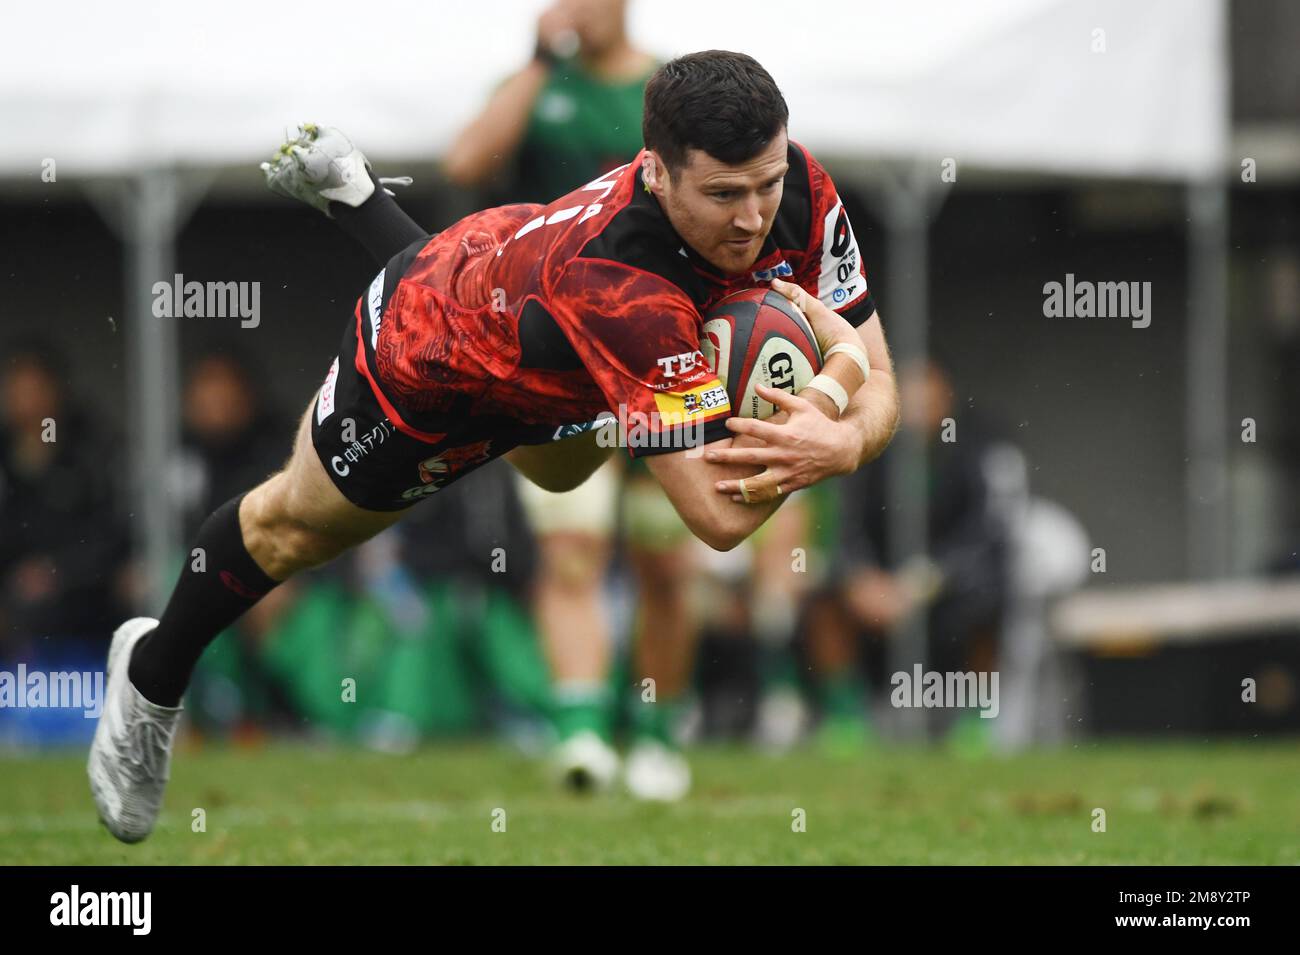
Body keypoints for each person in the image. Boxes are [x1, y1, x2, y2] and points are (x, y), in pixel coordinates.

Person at [88, 50, 897, 843]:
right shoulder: (627, 286)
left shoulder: (802, 186)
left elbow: (881, 381)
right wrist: (835, 389)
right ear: (656, 173)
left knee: (569, 460)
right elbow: (719, 520)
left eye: (767, 184)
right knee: (295, 526)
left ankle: (361, 198)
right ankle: (152, 676)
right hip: (430, 366)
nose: (755, 217)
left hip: (556, 359)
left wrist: (843, 423)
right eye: (724, 194)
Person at [443, 0, 657, 793]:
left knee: (666, 558)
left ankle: (659, 734)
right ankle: (583, 732)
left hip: (662, 347)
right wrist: (536, 62)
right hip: (560, 359)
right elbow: (465, 162)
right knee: (573, 548)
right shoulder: (533, 87)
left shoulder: (665, 92)